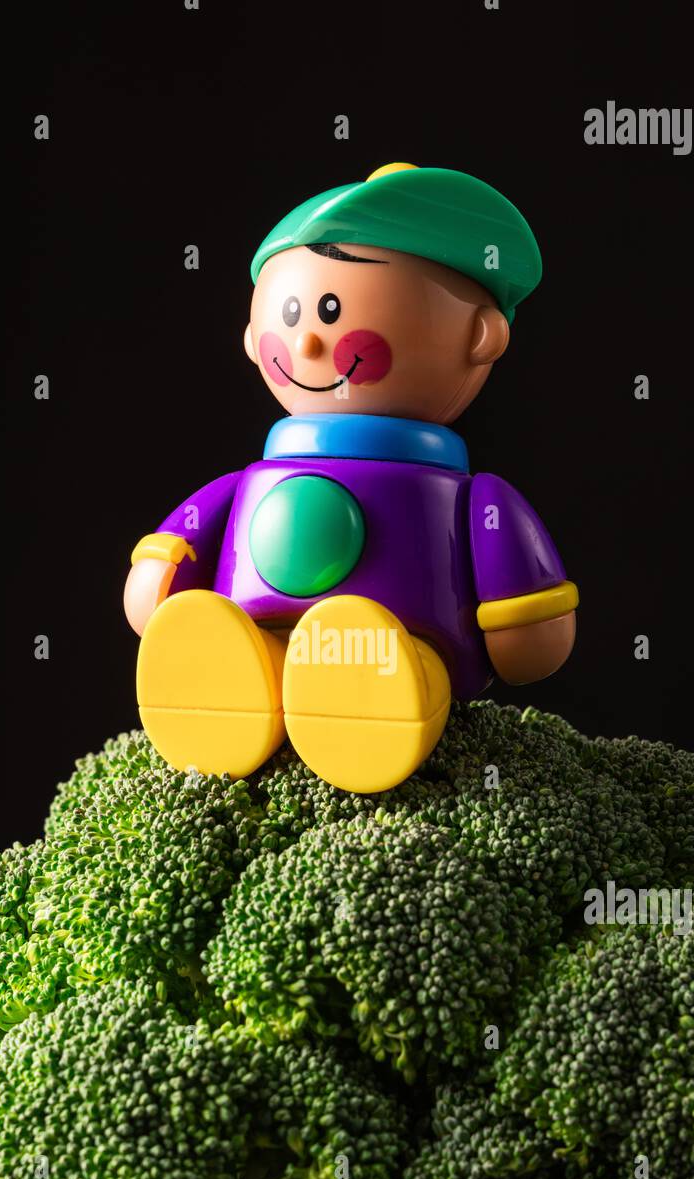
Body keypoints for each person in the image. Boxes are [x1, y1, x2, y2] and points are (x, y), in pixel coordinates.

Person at [124, 163, 578, 792]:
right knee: (236, 646)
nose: (307, 340)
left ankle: (383, 698)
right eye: (291, 312)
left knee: (397, 662)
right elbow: (191, 534)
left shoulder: (470, 499)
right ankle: (226, 688)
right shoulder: (249, 481)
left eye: (332, 309)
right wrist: (164, 568)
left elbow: (524, 616)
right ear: (255, 339)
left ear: (479, 336)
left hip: (412, 640)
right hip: (255, 623)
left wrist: (521, 620)